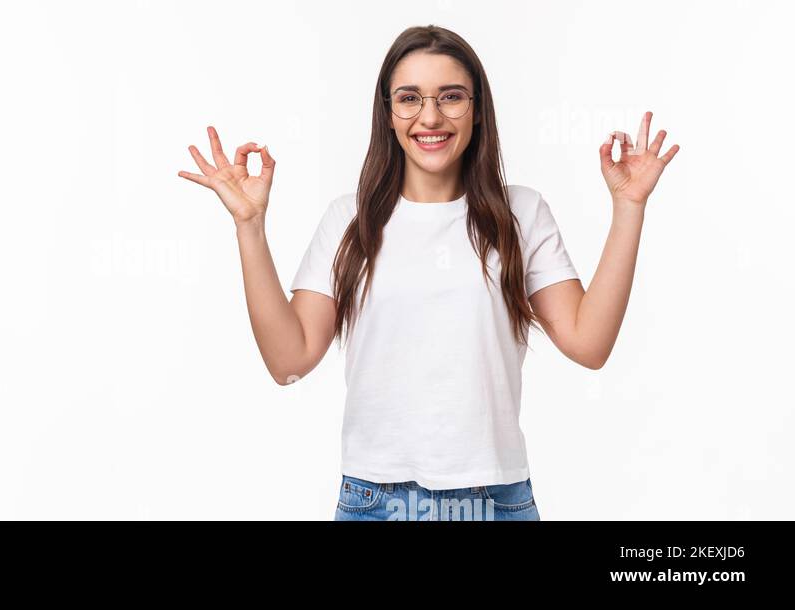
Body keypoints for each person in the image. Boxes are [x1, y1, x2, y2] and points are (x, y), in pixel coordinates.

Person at [176, 25, 679, 521]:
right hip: (375, 502)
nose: (430, 116)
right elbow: (288, 360)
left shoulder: (520, 215)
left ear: (477, 110)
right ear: (389, 114)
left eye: (451, 96)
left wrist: (629, 207)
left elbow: (589, 344)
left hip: (494, 501)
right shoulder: (349, 221)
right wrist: (250, 226)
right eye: (410, 98)